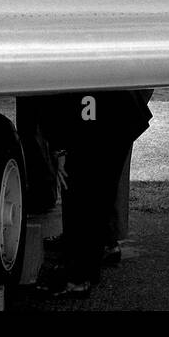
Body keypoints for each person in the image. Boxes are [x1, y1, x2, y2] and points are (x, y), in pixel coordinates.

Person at [38, 89, 154, 297]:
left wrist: (60, 150)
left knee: (81, 195)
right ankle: (86, 268)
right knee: (96, 196)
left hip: (98, 116)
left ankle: (79, 276)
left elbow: (57, 99)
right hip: (114, 113)